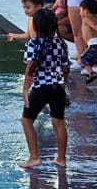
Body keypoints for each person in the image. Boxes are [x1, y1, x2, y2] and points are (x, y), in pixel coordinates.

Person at [21, 9, 71, 168]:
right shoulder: (60, 43)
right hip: (58, 87)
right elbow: (65, 67)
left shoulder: (33, 43)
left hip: (41, 86)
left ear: (35, 26)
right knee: (59, 122)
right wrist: (64, 84)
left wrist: (25, 89)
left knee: (27, 120)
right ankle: (61, 159)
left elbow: (31, 66)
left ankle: (34, 157)